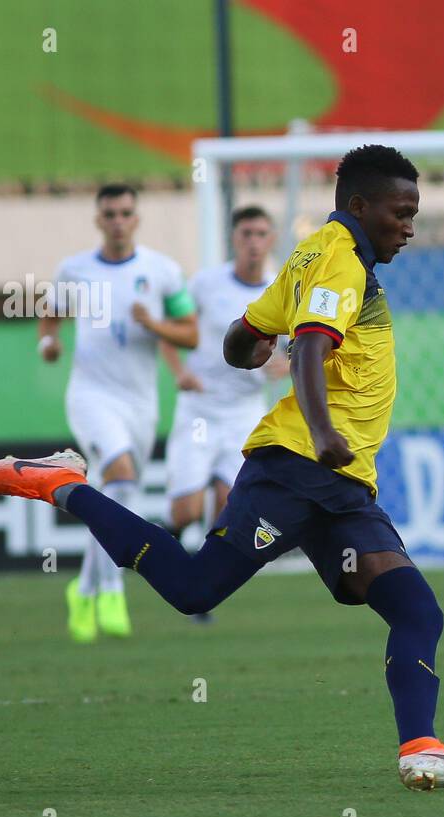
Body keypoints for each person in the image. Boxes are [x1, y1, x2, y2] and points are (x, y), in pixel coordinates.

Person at [0, 146, 444, 791]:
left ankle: (420, 748)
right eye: (401, 213)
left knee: (417, 610)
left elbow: (242, 338)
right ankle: (64, 485)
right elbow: (311, 349)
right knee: (195, 589)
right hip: (298, 465)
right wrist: (321, 433)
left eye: (415, 213)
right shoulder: (339, 265)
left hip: (342, 485)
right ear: (359, 206)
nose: (409, 226)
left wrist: (254, 345)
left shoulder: (314, 252)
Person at [40, 184, 197, 642]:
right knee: (122, 478)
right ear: (98, 220)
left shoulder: (162, 271)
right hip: (91, 396)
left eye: (125, 212)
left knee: (116, 493)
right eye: (109, 213)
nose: (117, 221)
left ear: (136, 218)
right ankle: (112, 588)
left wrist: (154, 324)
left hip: (140, 403)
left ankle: (82, 587)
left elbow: (190, 334)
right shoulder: (74, 269)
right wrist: (47, 343)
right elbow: (50, 317)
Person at [161, 206, 289, 624]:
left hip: (244, 414)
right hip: (199, 410)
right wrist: (180, 373)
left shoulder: (283, 289)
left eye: (261, 234)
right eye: (246, 233)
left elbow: (303, 347)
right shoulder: (204, 284)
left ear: (272, 240)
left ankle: (197, 593)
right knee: (185, 512)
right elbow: (170, 331)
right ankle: (159, 546)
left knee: (226, 508)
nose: (253, 241)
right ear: (234, 239)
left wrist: (286, 365)